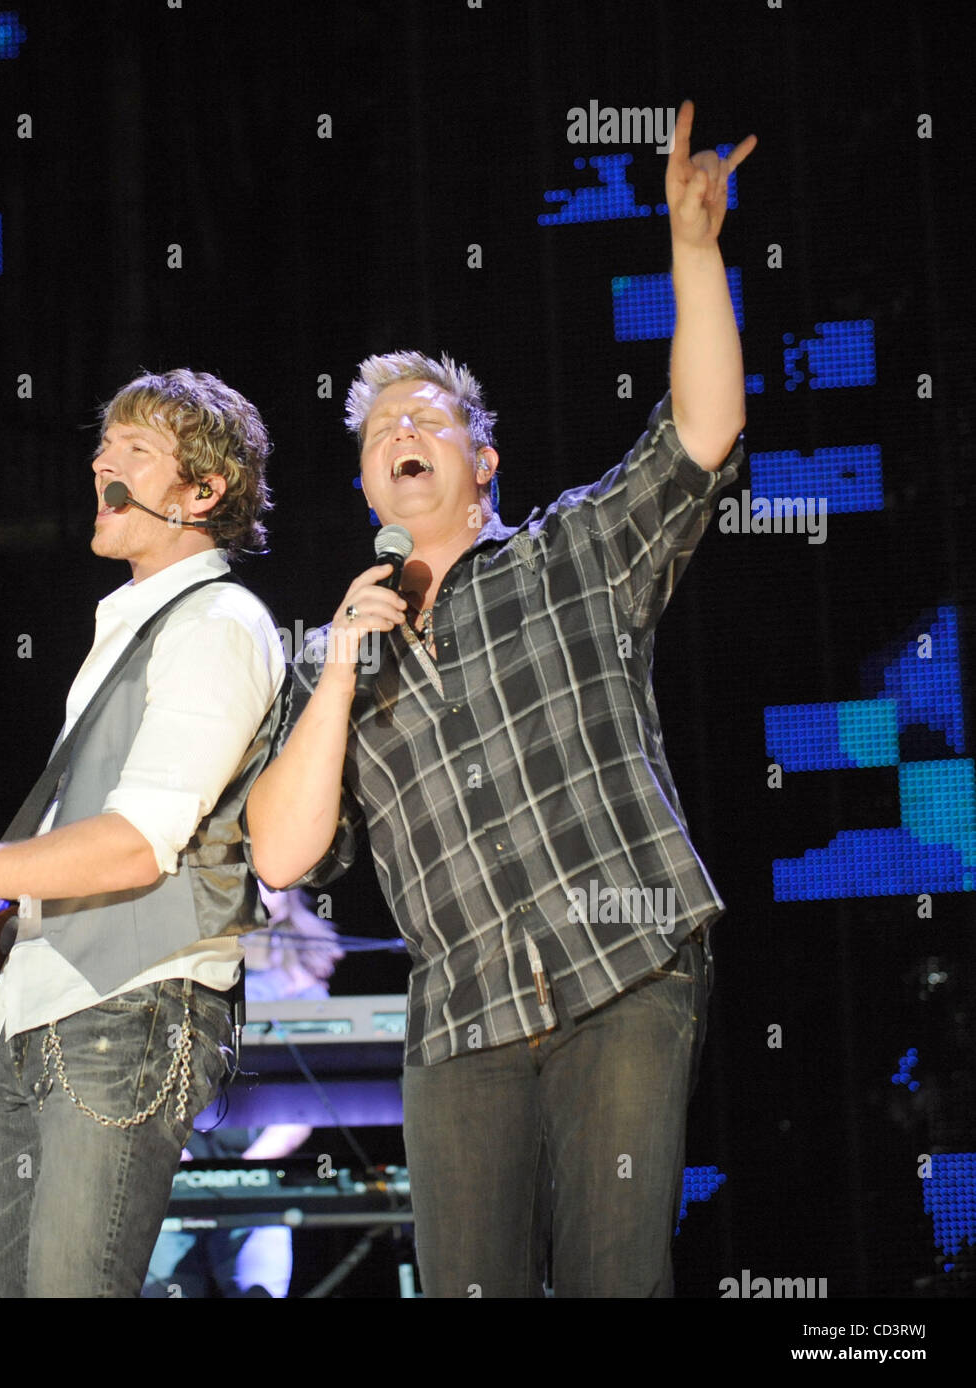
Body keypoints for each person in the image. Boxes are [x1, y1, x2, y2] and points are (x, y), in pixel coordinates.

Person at [247, 102, 755, 1297]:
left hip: (621, 964)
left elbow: (701, 432)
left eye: (427, 417)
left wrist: (691, 250)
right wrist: (332, 671)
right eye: (378, 432)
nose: (399, 434)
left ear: (482, 458)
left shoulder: (571, 550)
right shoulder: (335, 653)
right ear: (370, 481)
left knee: (610, 1273)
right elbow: (281, 848)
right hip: (461, 1019)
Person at [0, 368, 286, 1298]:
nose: (101, 464)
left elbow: (136, 843)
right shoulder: (125, 632)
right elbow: (71, 864)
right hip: (36, 1020)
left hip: (129, 1013)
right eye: (103, 447)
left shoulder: (215, 623)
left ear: (205, 493)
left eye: (136, 452)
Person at [142, 884, 344, 1297]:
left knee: (259, 1286)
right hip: (178, 1160)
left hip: (259, 1166)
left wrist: (252, 1166)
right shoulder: (182, 967)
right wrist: (167, 1147)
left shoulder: (302, 983)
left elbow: (305, 1100)